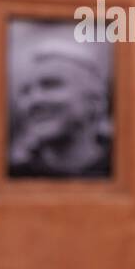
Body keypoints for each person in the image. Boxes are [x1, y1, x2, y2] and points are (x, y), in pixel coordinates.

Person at [8, 40, 112, 178]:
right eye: (25, 91)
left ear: (95, 100)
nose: (34, 100)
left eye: (50, 85)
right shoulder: (12, 177)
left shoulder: (132, 171)